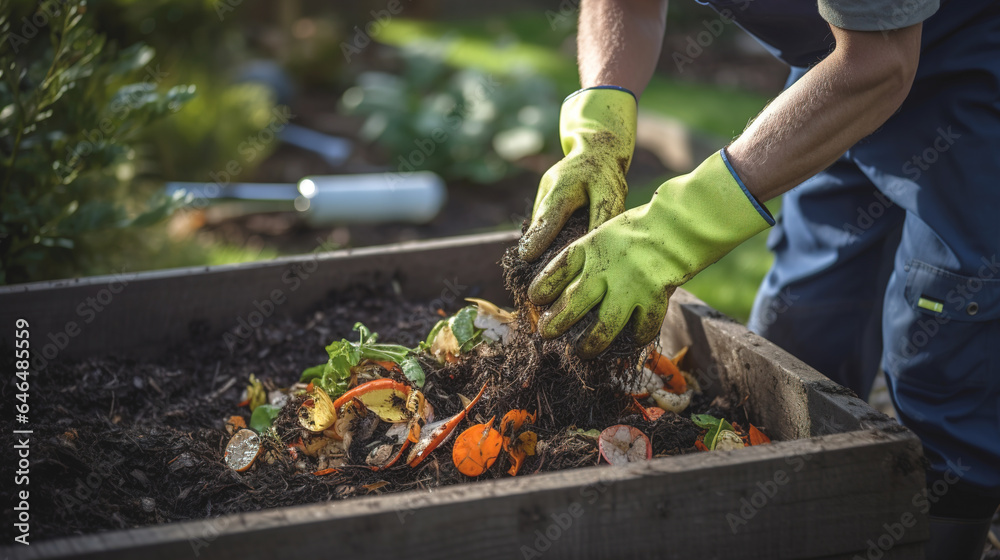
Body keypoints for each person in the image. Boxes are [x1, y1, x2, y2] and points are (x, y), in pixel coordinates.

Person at [518, 0, 1000, 557]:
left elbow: (884, 60)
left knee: (944, 344)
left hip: (962, 69)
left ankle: (939, 540)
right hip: (833, 66)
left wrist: (679, 226)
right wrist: (596, 123)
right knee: (801, 326)